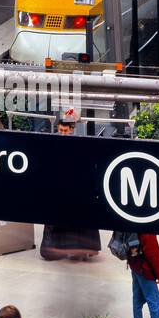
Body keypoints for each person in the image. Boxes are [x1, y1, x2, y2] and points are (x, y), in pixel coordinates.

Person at [39, 109, 101, 261]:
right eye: (60, 130)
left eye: (65, 130)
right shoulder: (55, 143)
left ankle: (79, 249)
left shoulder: (79, 143)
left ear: (71, 130)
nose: (62, 133)